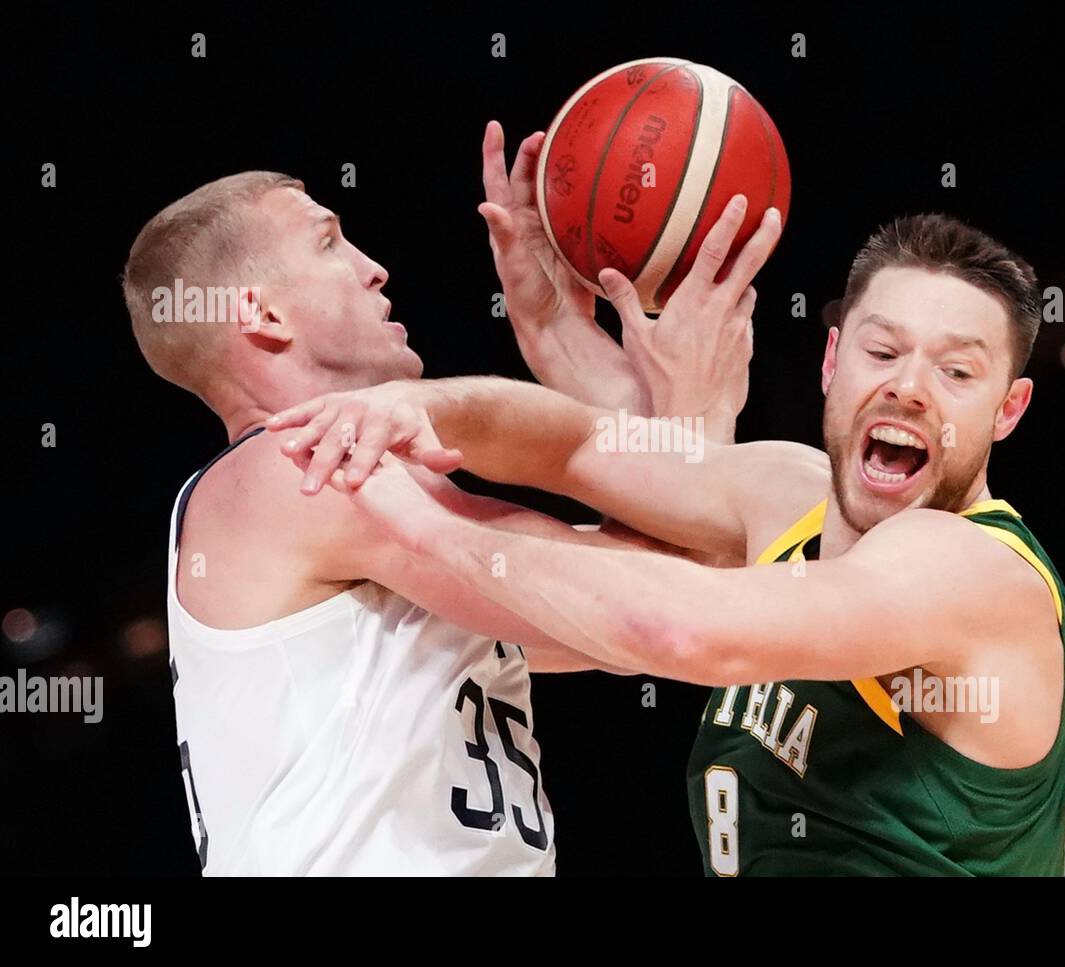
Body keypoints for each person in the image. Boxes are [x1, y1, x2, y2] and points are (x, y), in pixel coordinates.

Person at [271, 213, 1065, 876]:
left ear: (1008, 410)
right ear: (833, 360)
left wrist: (427, 529)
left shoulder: (972, 571)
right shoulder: (782, 493)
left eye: (957, 372)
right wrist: (420, 409)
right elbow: (581, 446)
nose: (908, 385)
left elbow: (682, 631)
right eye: (882, 350)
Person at [122, 123, 774, 873]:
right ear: (264, 314)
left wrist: (562, 335)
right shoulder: (299, 468)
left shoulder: (356, 523)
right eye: (331, 243)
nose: (375, 269)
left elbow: (639, 610)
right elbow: (661, 609)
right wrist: (698, 411)